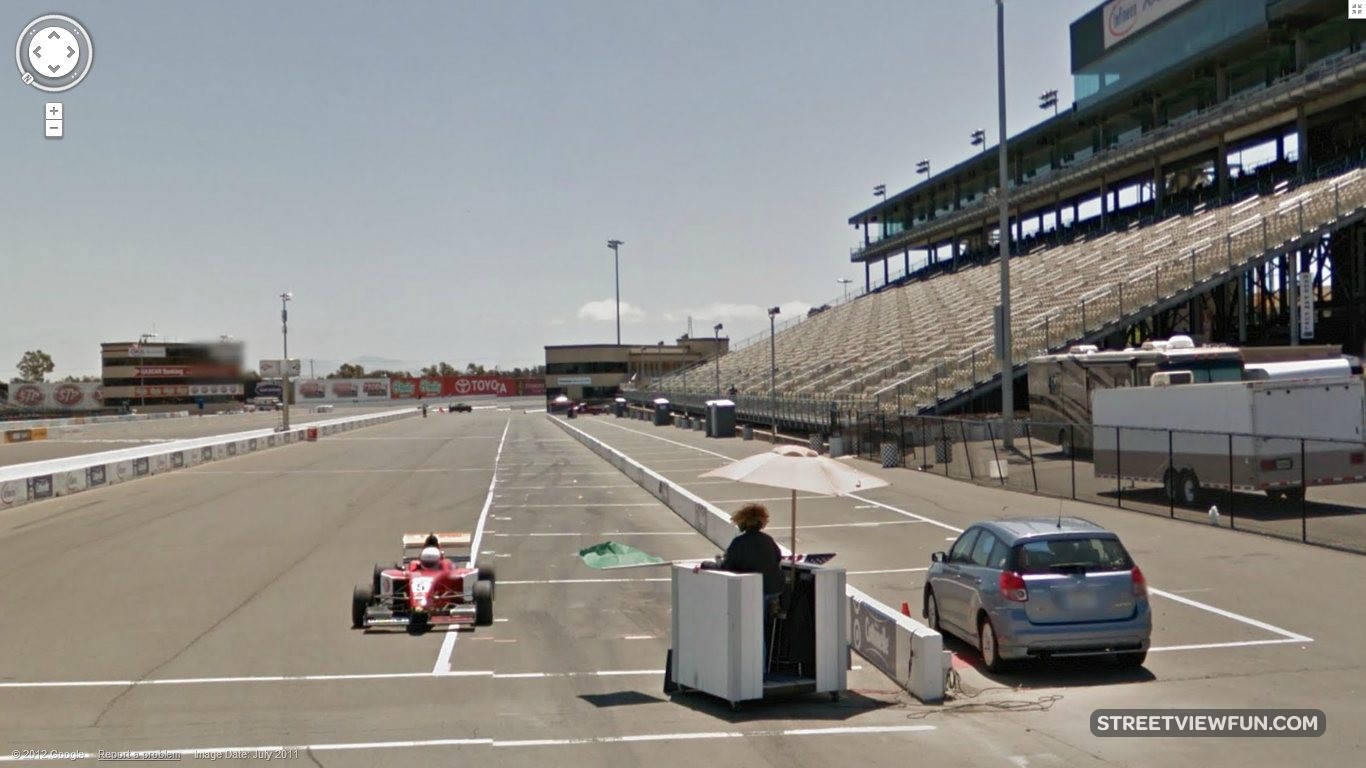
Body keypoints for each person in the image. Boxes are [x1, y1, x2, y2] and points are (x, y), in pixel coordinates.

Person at [695, 502, 784, 611]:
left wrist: (705, 564)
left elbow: (726, 566)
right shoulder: (768, 539)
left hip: (754, 589)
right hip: (775, 587)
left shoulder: (739, 542)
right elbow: (778, 557)